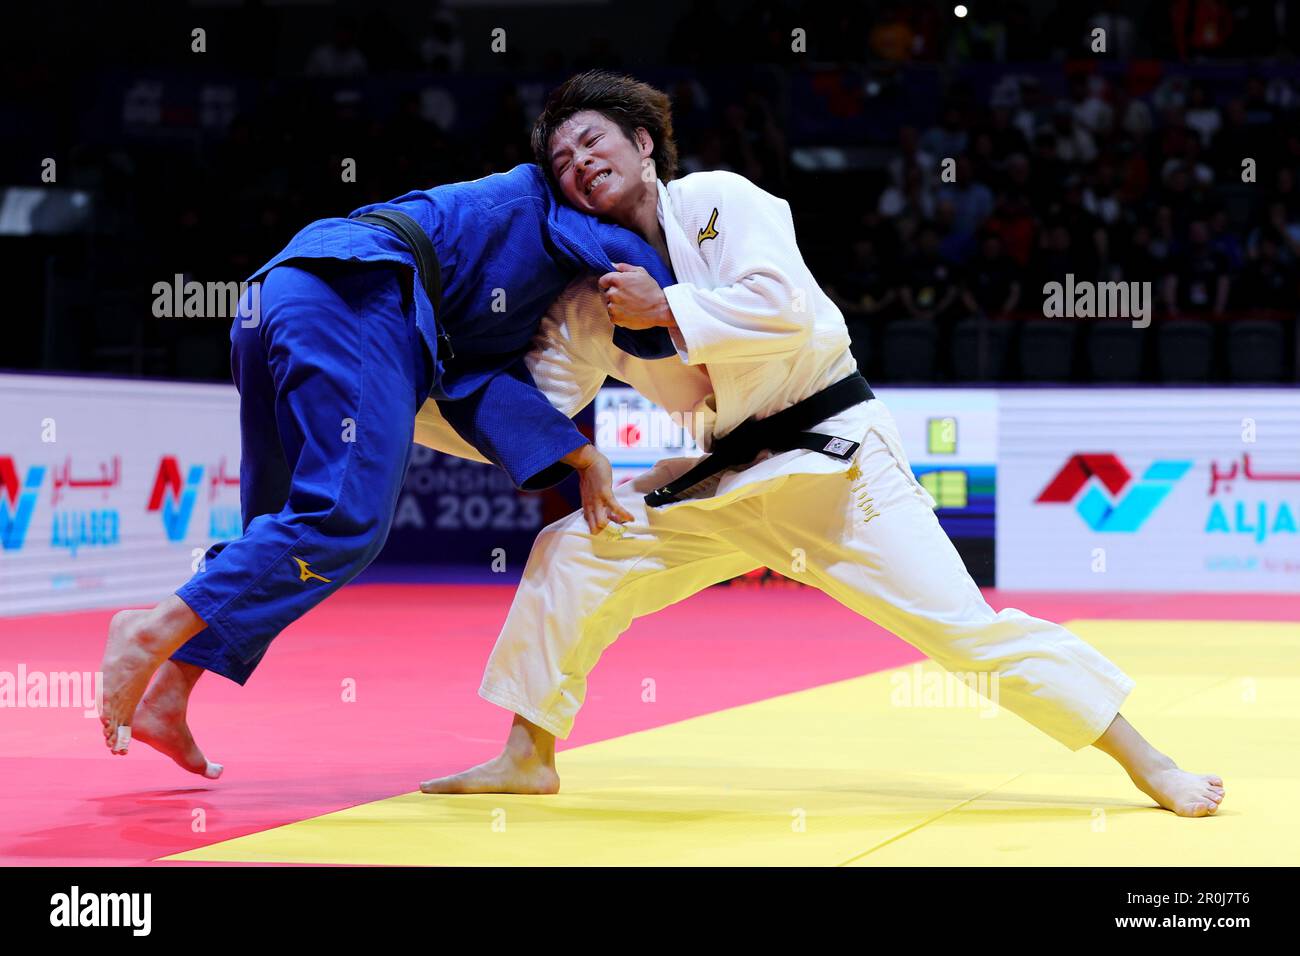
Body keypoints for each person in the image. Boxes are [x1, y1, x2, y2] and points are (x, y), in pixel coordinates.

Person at [416, 72, 1225, 817]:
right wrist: (404, 414)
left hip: (835, 459)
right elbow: (534, 408)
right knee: (574, 551)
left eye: (593, 140)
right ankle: (529, 754)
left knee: (960, 631)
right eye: (560, 160)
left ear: (643, 144)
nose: (579, 162)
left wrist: (664, 308)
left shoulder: (715, 202)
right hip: (727, 478)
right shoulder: (588, 300)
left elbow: (787, 311)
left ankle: (1147, 760)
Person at [98, 163, 680, 776]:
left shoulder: (514, 260)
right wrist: (670, 303)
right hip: (356, 292)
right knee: (343, 518)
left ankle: (171, 690)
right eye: (570, 148)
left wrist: (580, 454)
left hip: (278, 292)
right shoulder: (570, 218)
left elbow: (469, 380)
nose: (580, 164)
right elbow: (645, 295)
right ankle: (149, 629)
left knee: (275, 529)